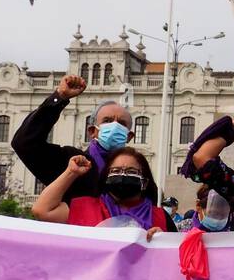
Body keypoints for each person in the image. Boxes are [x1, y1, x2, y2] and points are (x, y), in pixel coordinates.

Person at [12, 72, 134, 201]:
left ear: (129, 136)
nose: (114, 126)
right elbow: (24, 143)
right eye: (107, 121)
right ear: (92, 131)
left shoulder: (137, 172)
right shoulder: (72, 163)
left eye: (121, 123)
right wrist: (60, 97)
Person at [32, 147, 172, 232]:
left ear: (145, 181)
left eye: (131, 171)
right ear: (106, 177)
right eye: (116, 170)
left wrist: (161, 240)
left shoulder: (160, 217)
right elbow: (42, 210)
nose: (122, 175)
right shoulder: (83, 207)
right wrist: (71, 172)